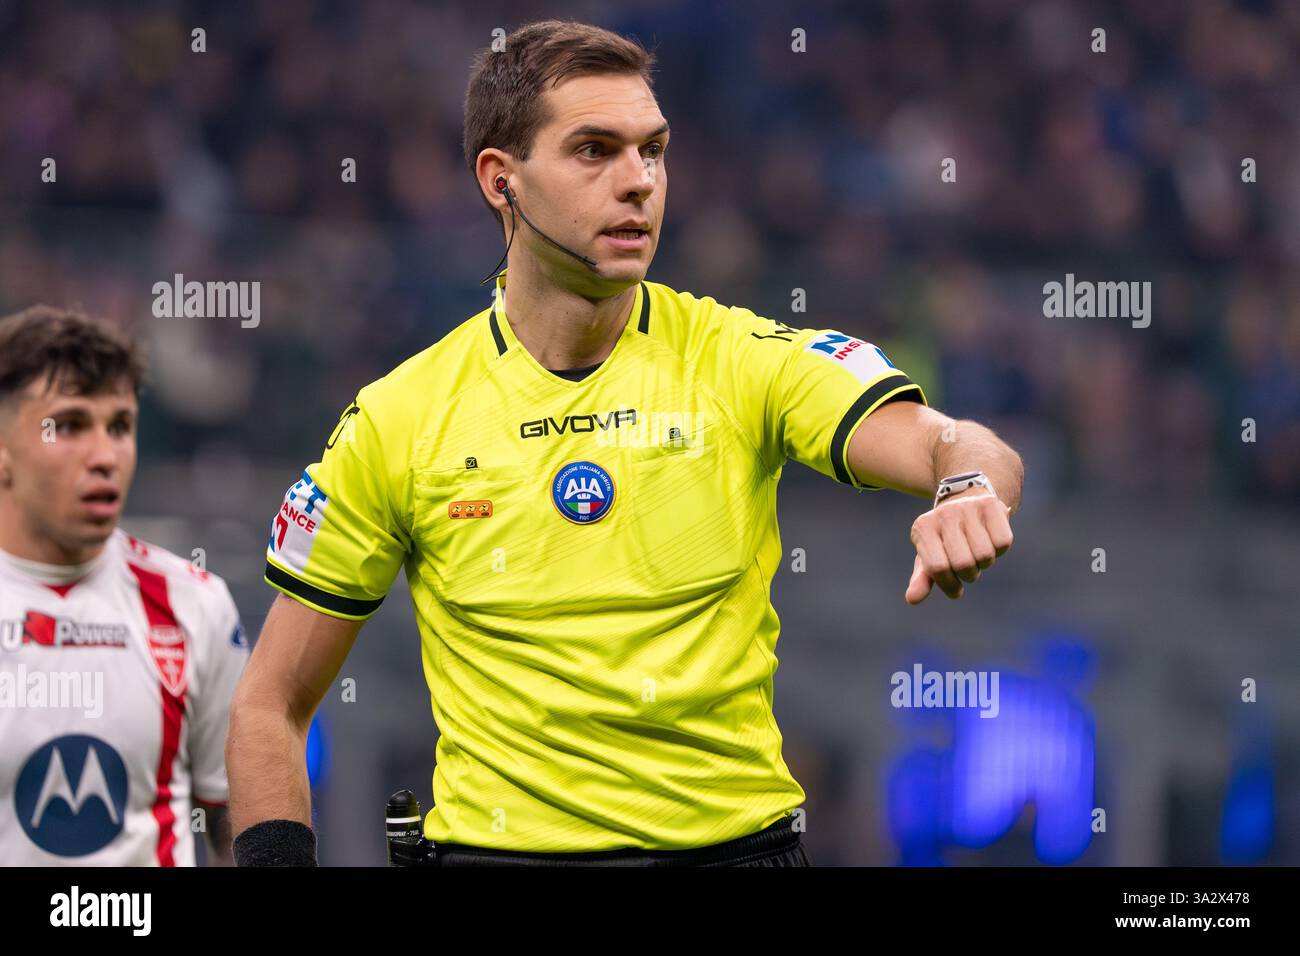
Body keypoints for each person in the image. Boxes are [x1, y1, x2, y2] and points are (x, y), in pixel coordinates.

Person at [228, 19, 1022, 868]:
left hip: (735, 856)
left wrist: (966, 486)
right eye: (594, 151)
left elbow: (958, 443)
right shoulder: (400, 417)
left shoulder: (738, 360)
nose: (638, 182)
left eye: (654, 151)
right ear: (502, 181)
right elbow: (269, 705)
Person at [0, 306, 247, 866]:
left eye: (119, 426)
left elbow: (235, 822)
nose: (104, 457)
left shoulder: (193, 604)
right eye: (68, 426)